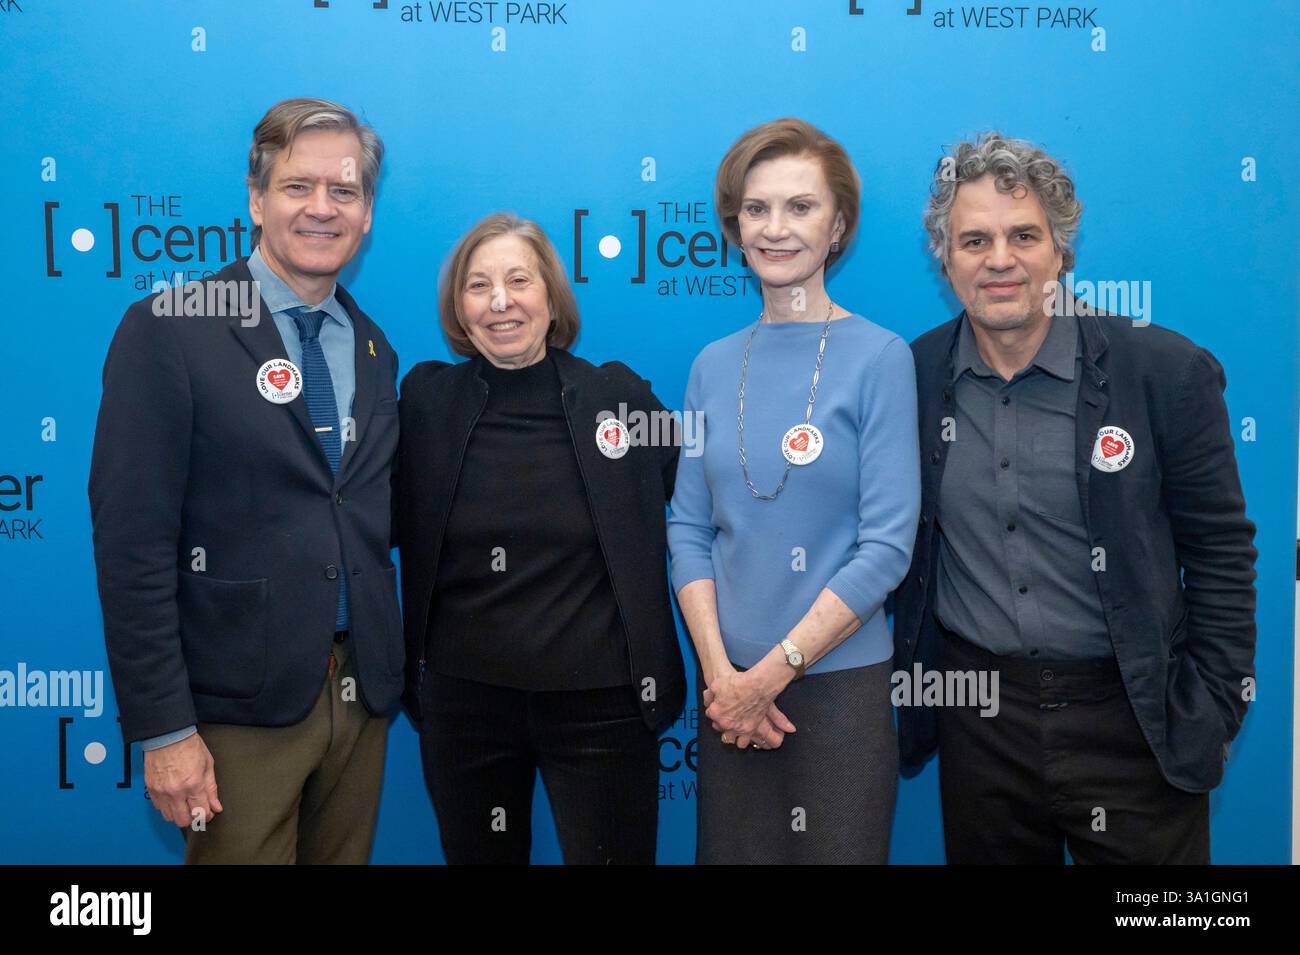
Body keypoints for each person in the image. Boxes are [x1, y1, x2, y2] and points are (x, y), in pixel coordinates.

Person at [894, 131, 1258, 864]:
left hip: (1133, 722)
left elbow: (1221, 553)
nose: (1000, 259)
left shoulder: (1164, 371)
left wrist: (1209, 710)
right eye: (974, 240)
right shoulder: (914, 372)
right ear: (946, 257)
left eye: (1023, 235)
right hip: (981, 726)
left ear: (1061, 250)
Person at [88, 98, 402, 864]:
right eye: (298, 186)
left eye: (346, 190)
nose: (322, 208)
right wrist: (165, 729)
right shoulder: (171, 328)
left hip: (358, 697)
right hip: (232, 714)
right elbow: (132, 547)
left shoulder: (373, 349)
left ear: (366, 216)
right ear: (256, 200)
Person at [666, 118, 920, 864]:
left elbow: (886, 546)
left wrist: (770, 675)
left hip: (836, 695)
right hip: (729, 696)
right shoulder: (712, 364)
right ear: (735, 225)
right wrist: (721, 675)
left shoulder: (880, 357)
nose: (776, 228)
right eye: (757, 209)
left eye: (800, 207)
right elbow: (687, 529)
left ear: (838, 225)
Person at [395, 212, 685, 864]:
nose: (500, 300)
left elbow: (704, 510)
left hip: (605, 705)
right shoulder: (424, 403)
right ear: (458, 309)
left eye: (519, 280)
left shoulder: (618, 396)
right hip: (464, 709)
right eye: (478, 285)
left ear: (551, 298)